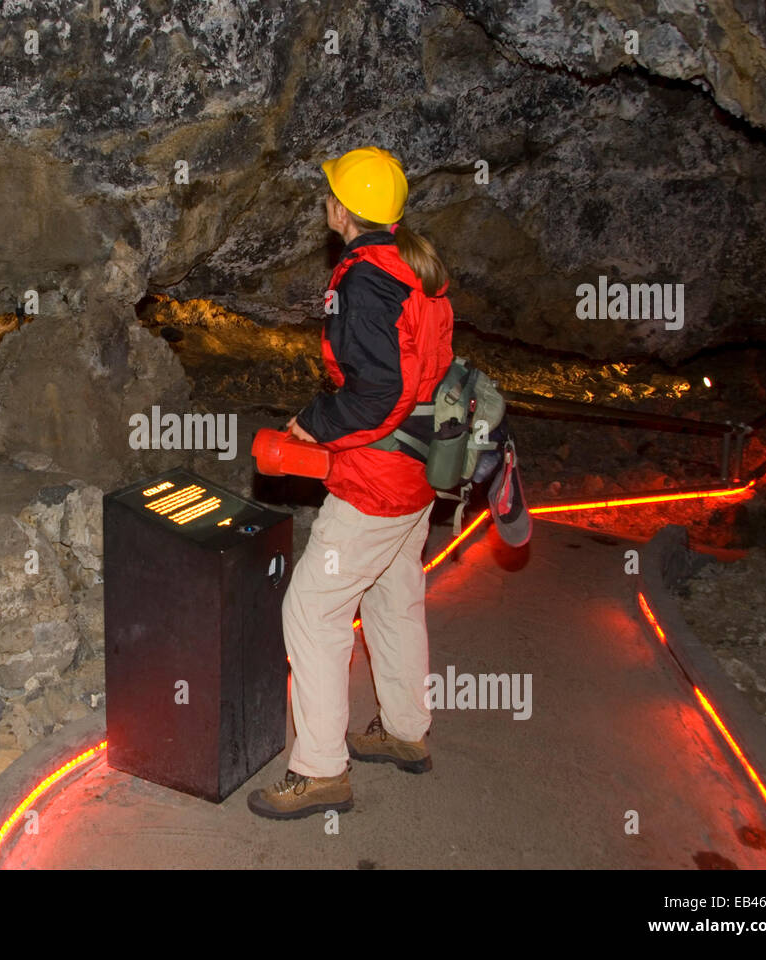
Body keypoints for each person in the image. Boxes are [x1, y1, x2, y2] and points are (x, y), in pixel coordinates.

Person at [248, 146, 454, 820]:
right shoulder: (414, 268)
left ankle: (320, 769)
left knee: (311, 610)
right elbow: (423, 376)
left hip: (376, 481)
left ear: (343, 209)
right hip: (419, 468)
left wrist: (312, 423)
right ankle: (403, 730)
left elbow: (376, 394)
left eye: (329, 194)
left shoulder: (365, 280)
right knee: (394, 599)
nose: (325, 204)